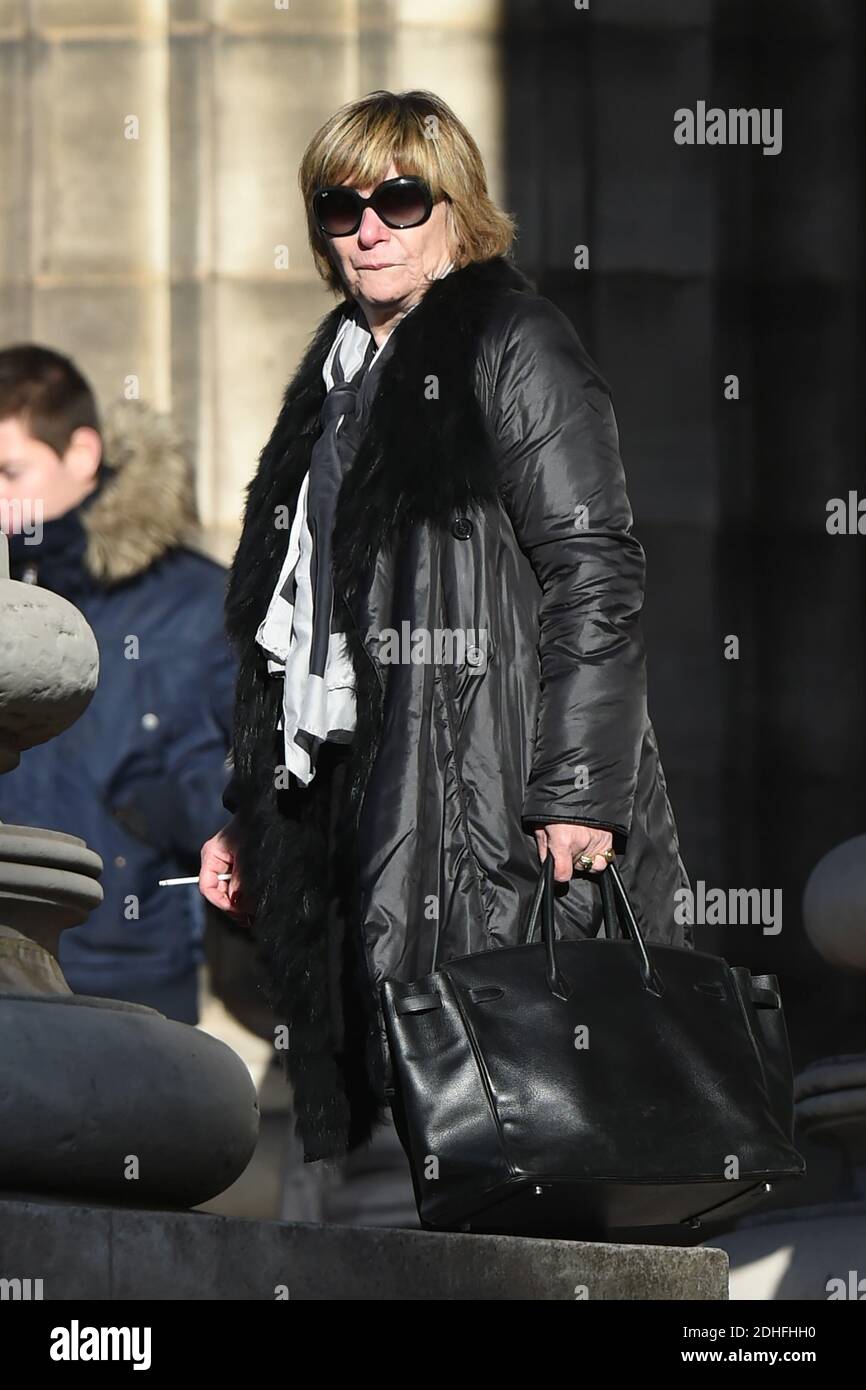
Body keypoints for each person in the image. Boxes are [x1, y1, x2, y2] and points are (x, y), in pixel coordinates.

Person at [200, 89, 692, 1173]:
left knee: (516, 1105)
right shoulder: (334, 380)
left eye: (398, 198)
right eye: (340, 205)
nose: (366, 226)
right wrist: (250, 813)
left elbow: (593, 568)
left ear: (455, 211)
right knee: (427, 1118)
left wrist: (577, 789)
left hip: (490, 791)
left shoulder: (511, 341)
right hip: (358, 798)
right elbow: (299, 632)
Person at [0, 345, 236, 1023]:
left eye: (9, 470)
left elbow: (262, 782)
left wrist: (169, 814)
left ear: (81, 453)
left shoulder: (194, 601)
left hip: (132, 966)